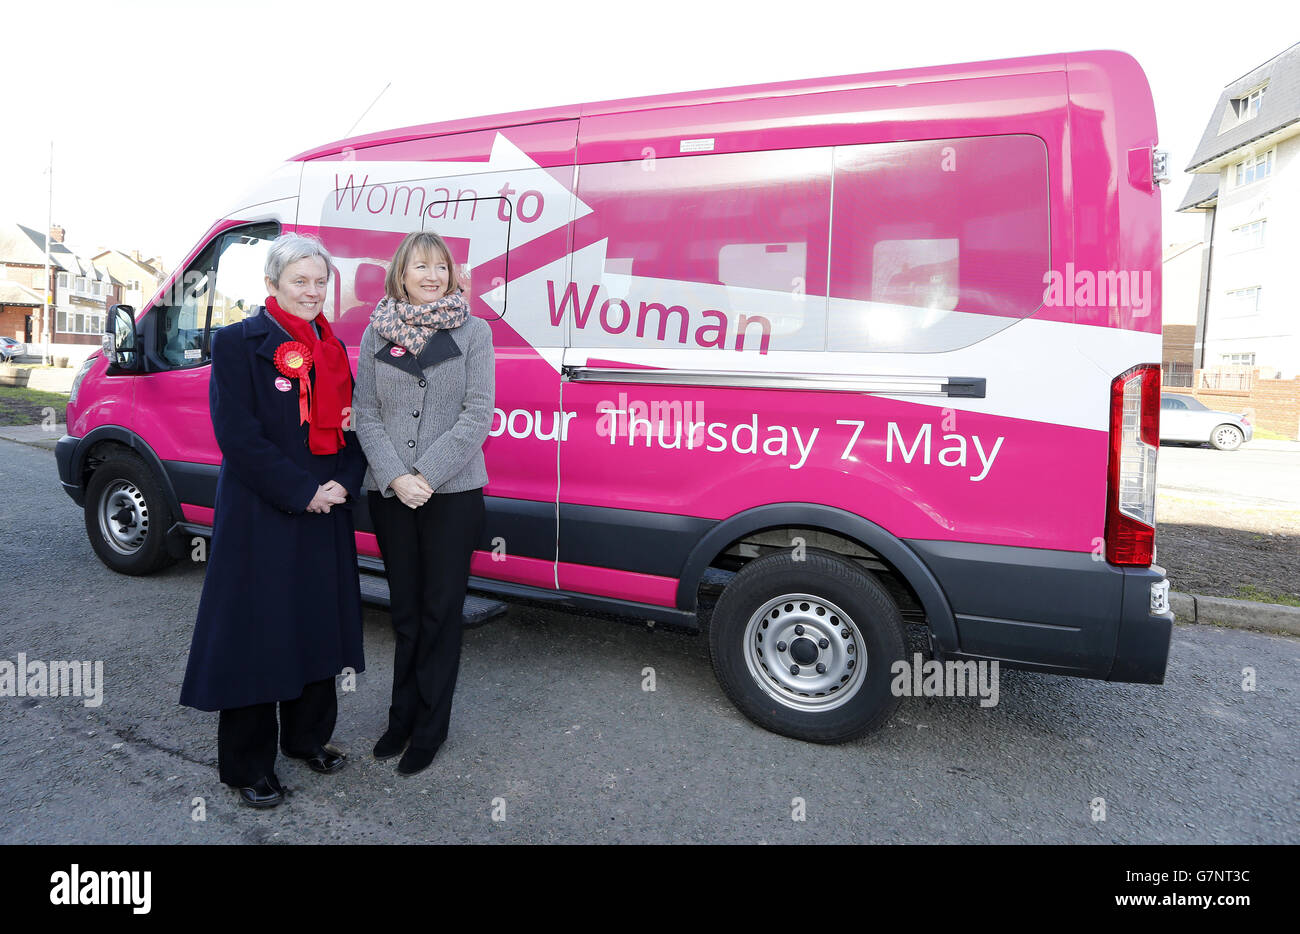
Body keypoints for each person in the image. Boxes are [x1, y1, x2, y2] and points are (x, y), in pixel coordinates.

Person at [179, 233, 366, 808]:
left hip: (324, 512)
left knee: (317, 626)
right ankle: (247, 768)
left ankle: (306, 739)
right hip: (264, 514)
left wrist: (344, 482)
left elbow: (355, 427)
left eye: (319, 282)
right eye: (299, 281)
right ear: (271, 286)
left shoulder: (332, 348)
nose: (311, 292)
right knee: (258, 638)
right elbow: (238, 436)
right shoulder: (237, 344)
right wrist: (301, 490)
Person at [352, 230, 494, 776]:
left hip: (451, 495)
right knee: (406, 613)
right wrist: (395, 476)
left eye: (441, 266)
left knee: (440, 613)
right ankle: (401, 718)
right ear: (401, 275)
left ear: (452, 274)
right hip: (391, 494)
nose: (432, 275)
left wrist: (424, 476)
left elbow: (476, 414)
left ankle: (431, 730)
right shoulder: (374, 335)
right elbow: (365, 414)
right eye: (420, 267)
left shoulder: (473, 332)